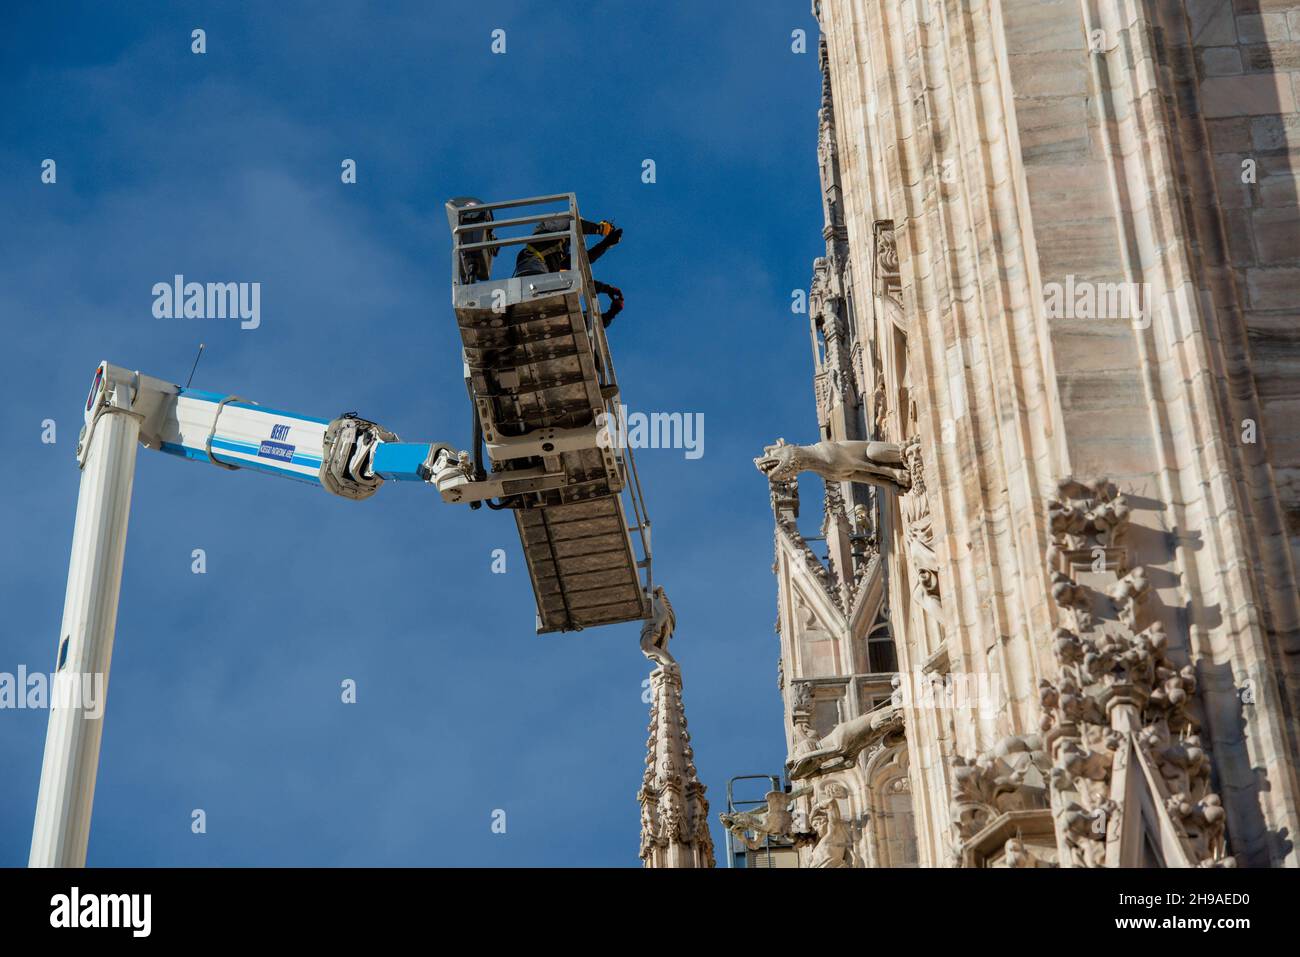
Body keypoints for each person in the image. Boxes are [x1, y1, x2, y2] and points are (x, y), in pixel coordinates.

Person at [513, 215, 626, 327]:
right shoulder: (545, 236)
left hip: (543, 276)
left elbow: (584, 262)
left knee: (577, 308)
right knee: (554, 290)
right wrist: (600, 229)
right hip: (532, 266)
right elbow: (577, 225)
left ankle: (605, 318)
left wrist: (606, 243)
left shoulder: (558, 256)